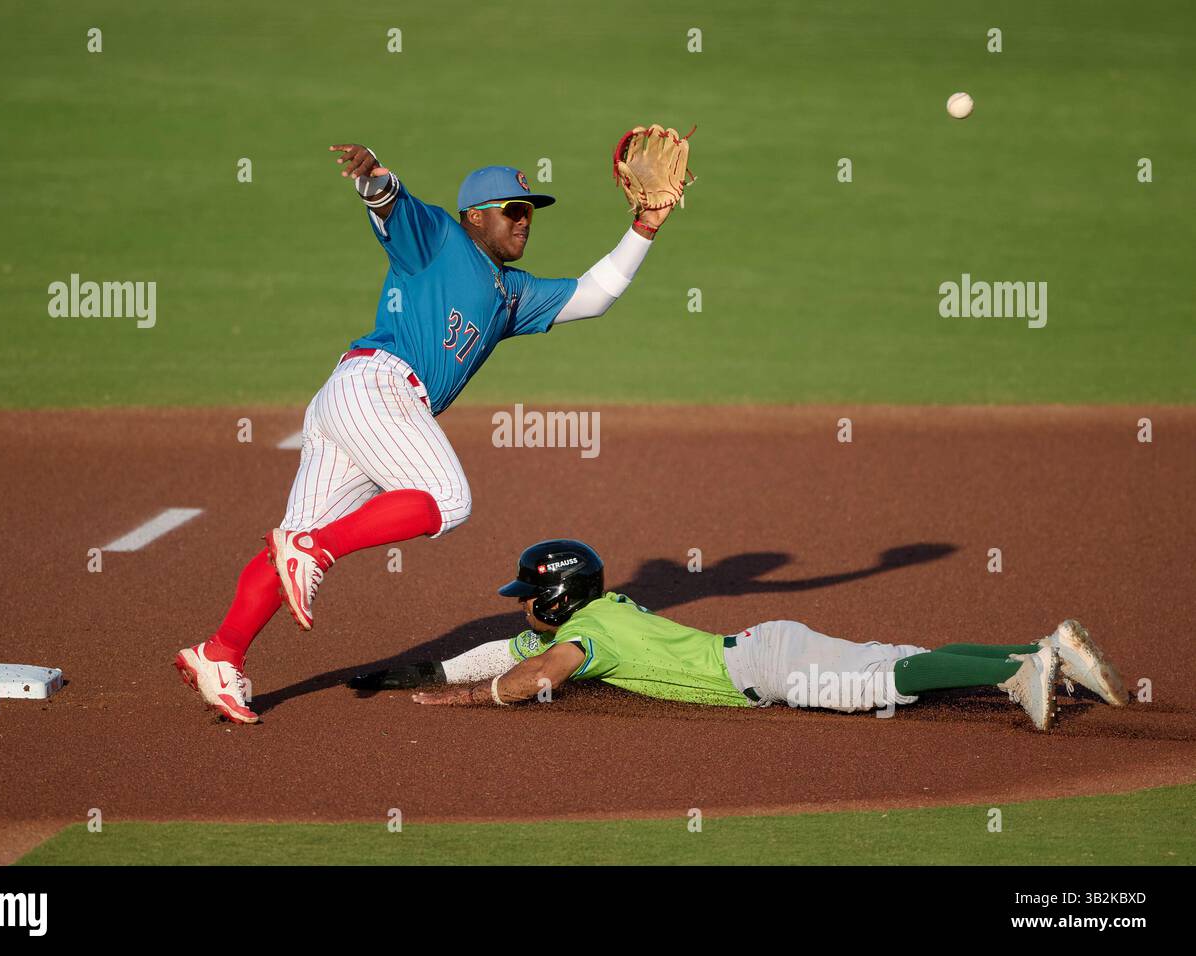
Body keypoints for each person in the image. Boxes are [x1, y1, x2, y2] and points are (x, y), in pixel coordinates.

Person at [176, 144, 677, 724]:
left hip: (355, 404)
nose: (523, 220)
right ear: (475, 216)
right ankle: (314, 551)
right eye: (512, 209)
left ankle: (220, 653)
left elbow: (594, 296)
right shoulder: (440, 238)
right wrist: (376, 178)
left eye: (529, 211)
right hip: (378, 386)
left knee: (294, 535)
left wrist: (643, 226)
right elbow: (391, 205)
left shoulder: (511, 295)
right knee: (447, 500)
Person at [351, 540, 1129, 731]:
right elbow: (503, 654)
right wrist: (419, 674)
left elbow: (534, 677)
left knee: (888, 685)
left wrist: (471, 702)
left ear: (555, 597)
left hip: (773, 670)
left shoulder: (585, 640)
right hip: (767, 645)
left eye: (529, 597)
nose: (523, 609)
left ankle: (1018, 672)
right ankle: (1038, 651)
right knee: (904, 663)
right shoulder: (604, 611)